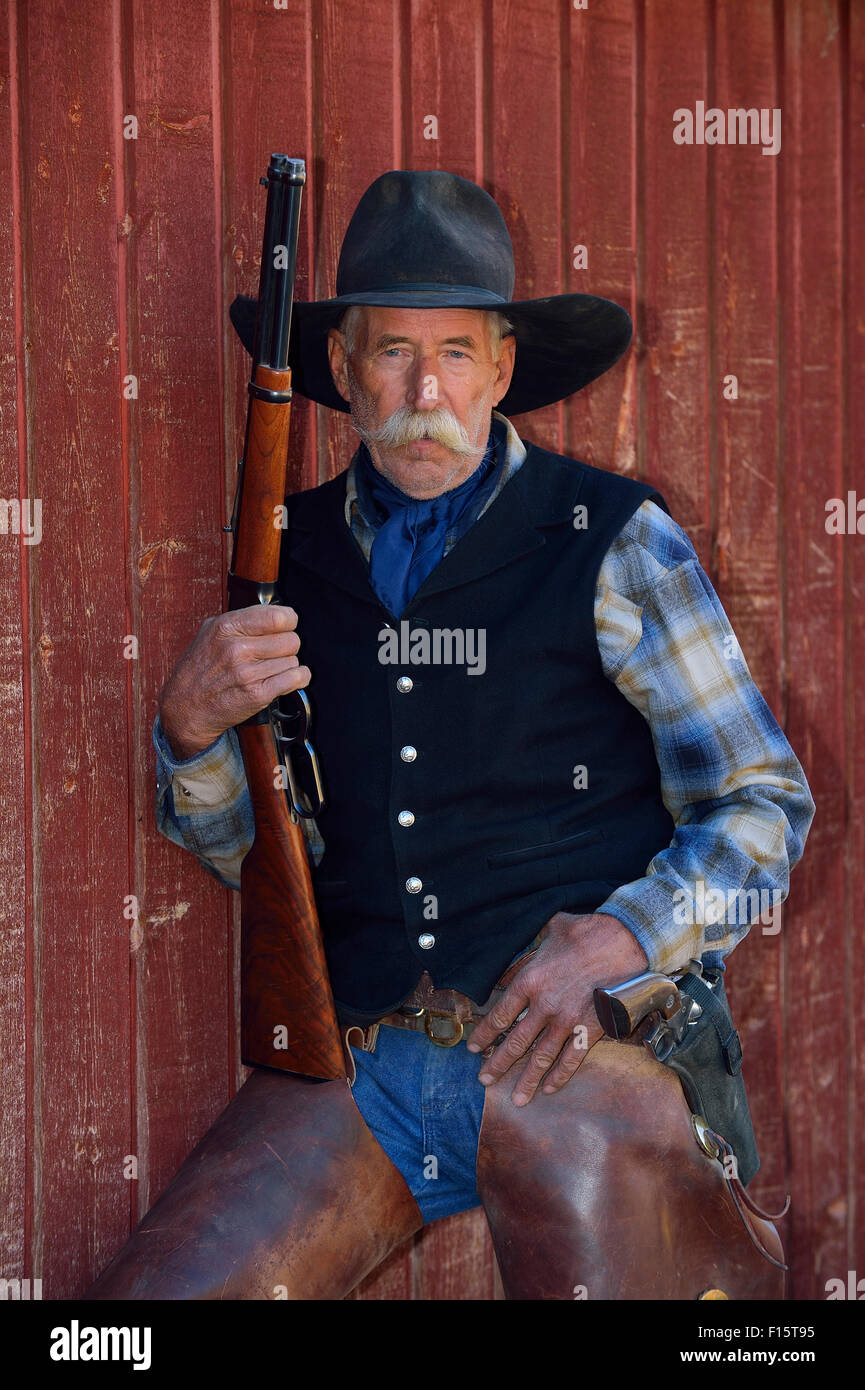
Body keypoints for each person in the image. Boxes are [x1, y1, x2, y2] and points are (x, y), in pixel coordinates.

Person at [91, 170, 815, 1301]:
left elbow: (764, 807)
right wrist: (188, 731)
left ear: (503, 370)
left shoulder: (615, 539)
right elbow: (256, 857)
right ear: (340, 370)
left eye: (459, 353)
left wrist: (615, 938)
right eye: (390, 352)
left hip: (582, 1059)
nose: (426, 388)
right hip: (367, 1067)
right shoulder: (294, 559)